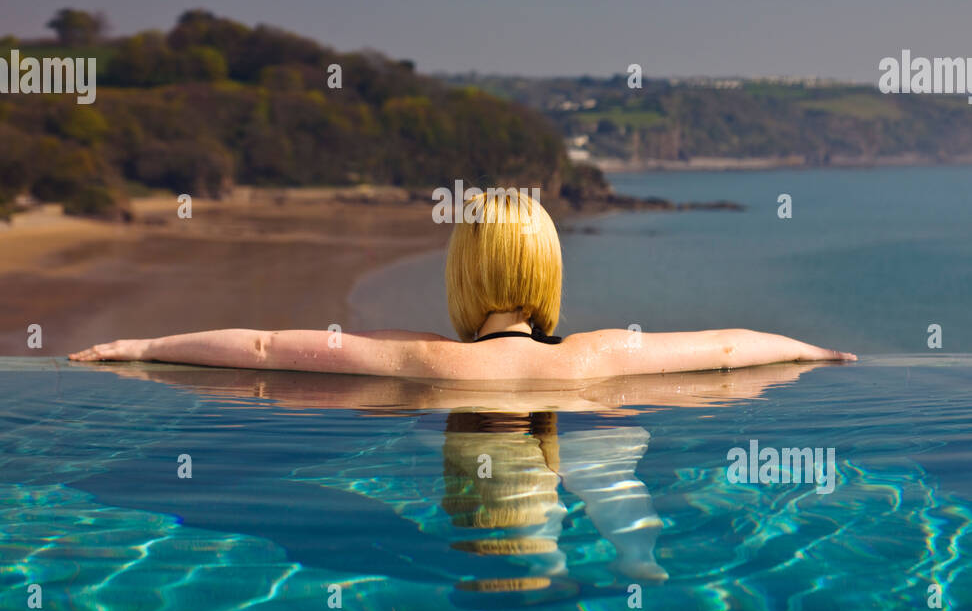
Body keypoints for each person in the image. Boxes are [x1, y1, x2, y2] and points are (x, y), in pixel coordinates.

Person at [70, 188, 856, 380]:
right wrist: (818, 351)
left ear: (462, 273)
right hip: (546, 523)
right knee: (614, 455)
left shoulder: (420, 360)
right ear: (549, 271)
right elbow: (727, 347)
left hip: (465, 534)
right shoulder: (590, 358)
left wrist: (145, 345)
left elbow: (268, 349)